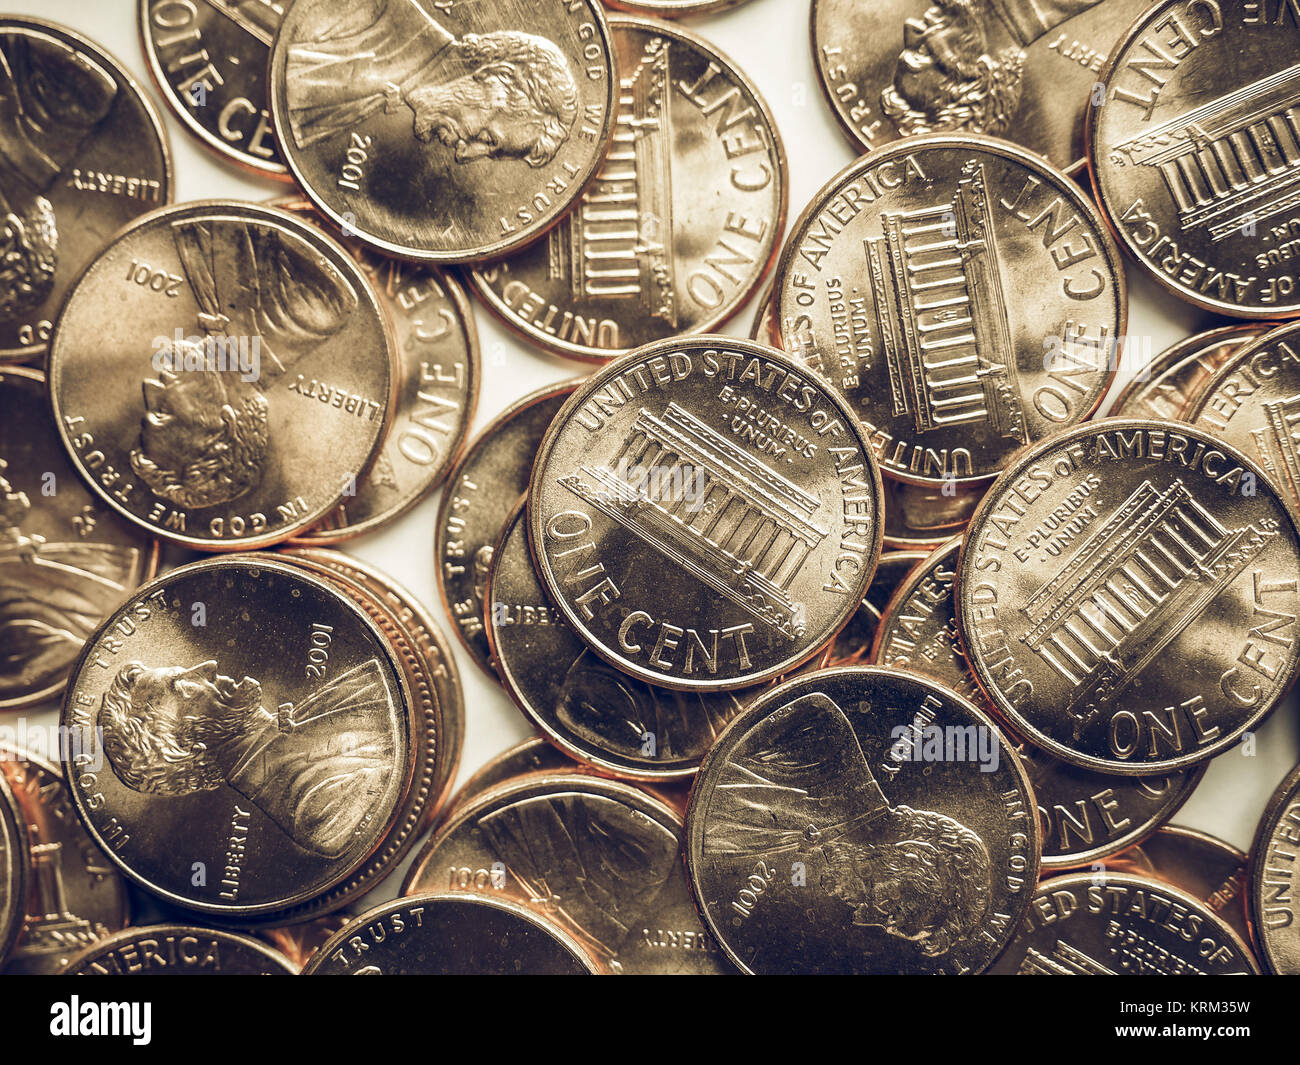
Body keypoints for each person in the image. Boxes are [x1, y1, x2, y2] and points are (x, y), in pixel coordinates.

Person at [705, 691, 992, 960]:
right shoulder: (819, 732)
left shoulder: (805, 845)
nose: (861, 918)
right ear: (912, 857)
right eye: (888, 909)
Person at [100, 657, 403, 859]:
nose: (208, 666)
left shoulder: (310, 713)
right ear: (189, 748)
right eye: (184, 686)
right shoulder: (315, 811)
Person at [284, 0, 579, 168]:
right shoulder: (376, 9)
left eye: (490, 153)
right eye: (488, 139)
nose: (464, 155)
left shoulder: (382, 99)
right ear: (496, 76)